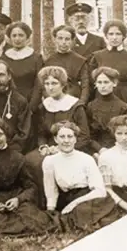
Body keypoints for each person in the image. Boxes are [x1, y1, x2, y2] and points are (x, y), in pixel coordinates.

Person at [0, 119, 58, 236]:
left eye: (0, 134)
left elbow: (30, 187)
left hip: (15, 199)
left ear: (6, 135)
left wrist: (18, 200)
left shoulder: (17, 157)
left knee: (35, 221)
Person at [24, 66, 91, 208]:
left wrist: (60, 148)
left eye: (54, 83)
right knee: (31, 160)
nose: (50, 87)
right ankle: (42, 204)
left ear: (63, 85)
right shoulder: (44, 106)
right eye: (47, 84)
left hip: (72, 146)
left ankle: (60, 202)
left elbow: (85, 137)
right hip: (50, 146)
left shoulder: (75, 106)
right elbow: (42, 133)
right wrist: (43, 146)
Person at [42, 121, 116, 231]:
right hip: (66, 197)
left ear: (75, 139)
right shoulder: (50, 161)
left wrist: (75, 203)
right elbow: (51, 190)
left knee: (95, 206)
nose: (66, 140)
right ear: (55, 139)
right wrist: (51, 212)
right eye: (62, 137)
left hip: (88, 197)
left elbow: (100, 191)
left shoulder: (86, 159)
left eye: (70, 136)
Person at [90, 19, 127, 129]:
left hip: (124, 96)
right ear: (106, 36)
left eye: (118, 34)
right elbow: (92, 78)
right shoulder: (97, 56)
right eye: (111, 34)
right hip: (102, 96)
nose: (114, 37)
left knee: (126, 126)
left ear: (124, 36)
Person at [41, 25, 90, 105]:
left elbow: (85, 85)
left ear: (72, 40)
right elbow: (43, 85)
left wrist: (81, 102)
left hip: (74, 100)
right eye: (60, 38)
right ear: (54, 39)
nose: (63, 42)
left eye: (67, 39)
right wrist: (49, 100)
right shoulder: (49, 61)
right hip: (54, 101)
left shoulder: (80, 60)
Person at [87, 67, 127, 150]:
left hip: (118, 148)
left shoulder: (123, 107)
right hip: (96, 150)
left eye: (106, 82)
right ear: (95, 84)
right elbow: (88, 134)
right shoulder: (91, 106)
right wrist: (99, 149)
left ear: (114, 83)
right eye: (99, 82)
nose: (103, 86)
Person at [1, 22, 43, 104]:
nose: (17, 39)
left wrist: (31, 106)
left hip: (30, 102)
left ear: (27, 37)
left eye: (21, 35)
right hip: (8, 102)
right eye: (14, 35)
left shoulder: (36, 58)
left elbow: (39, 85)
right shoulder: (4, 58)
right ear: (10, 38)